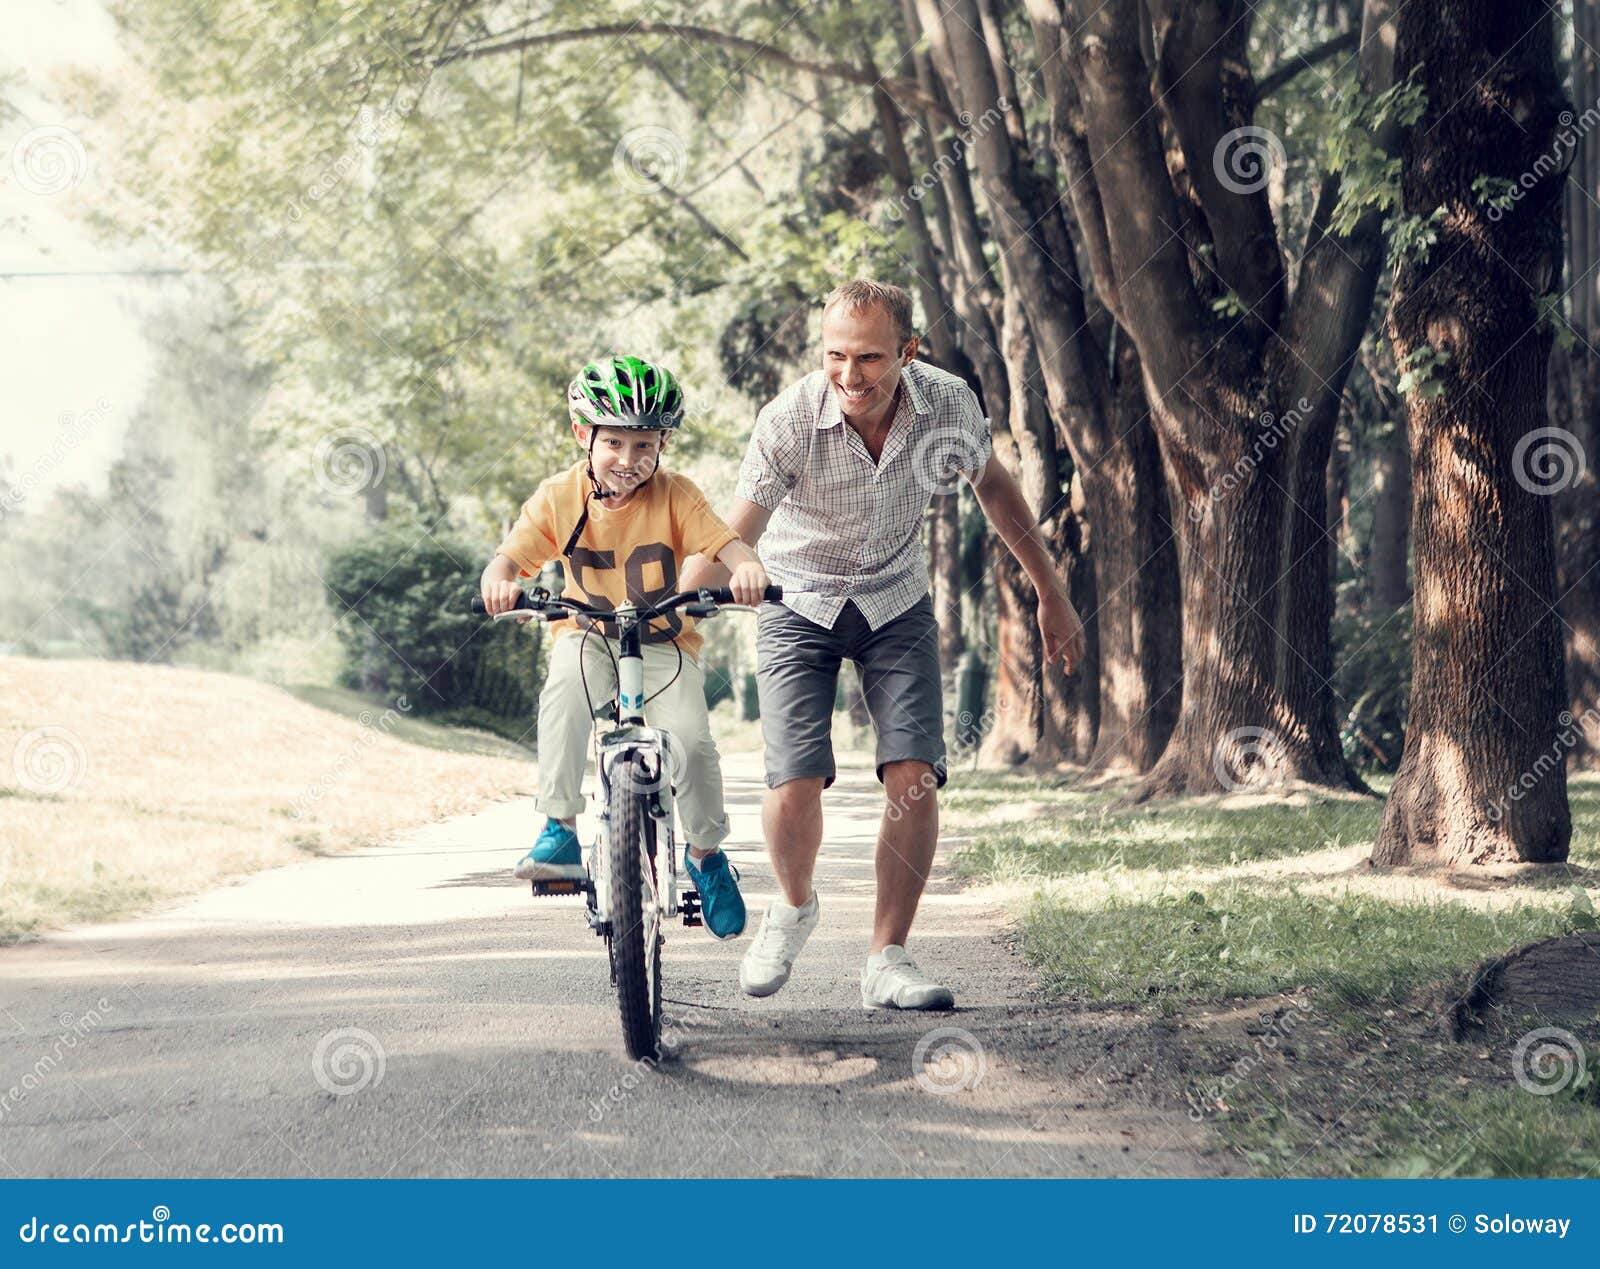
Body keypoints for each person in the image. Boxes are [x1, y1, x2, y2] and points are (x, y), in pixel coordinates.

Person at [685, 280, 1086, 1007]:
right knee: (793, 779)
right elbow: (733, 531)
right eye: (835, 355)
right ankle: (795, 905)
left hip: (895, 597)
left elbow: (993, 486)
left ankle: (887, 957)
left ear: (907, 351)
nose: (849, 375)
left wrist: (1051, 592)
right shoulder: (790, 419)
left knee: (915, 775)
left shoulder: (947, 404)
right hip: (796, 598)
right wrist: (676, 601)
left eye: (869, 358)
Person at [479, 355, 771, 940]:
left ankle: (708, 858)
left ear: (663, 442)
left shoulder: (676, 495)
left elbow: (726, 543)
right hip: (588, 634)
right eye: (613, 442)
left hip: (663, 640)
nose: (628, 461)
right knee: (563, 694)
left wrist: (747, 570)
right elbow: (511, 556)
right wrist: (501, 579)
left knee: (689, 739)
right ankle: (559, 827)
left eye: (644, 445)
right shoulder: (558, 497)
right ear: (583, 435)